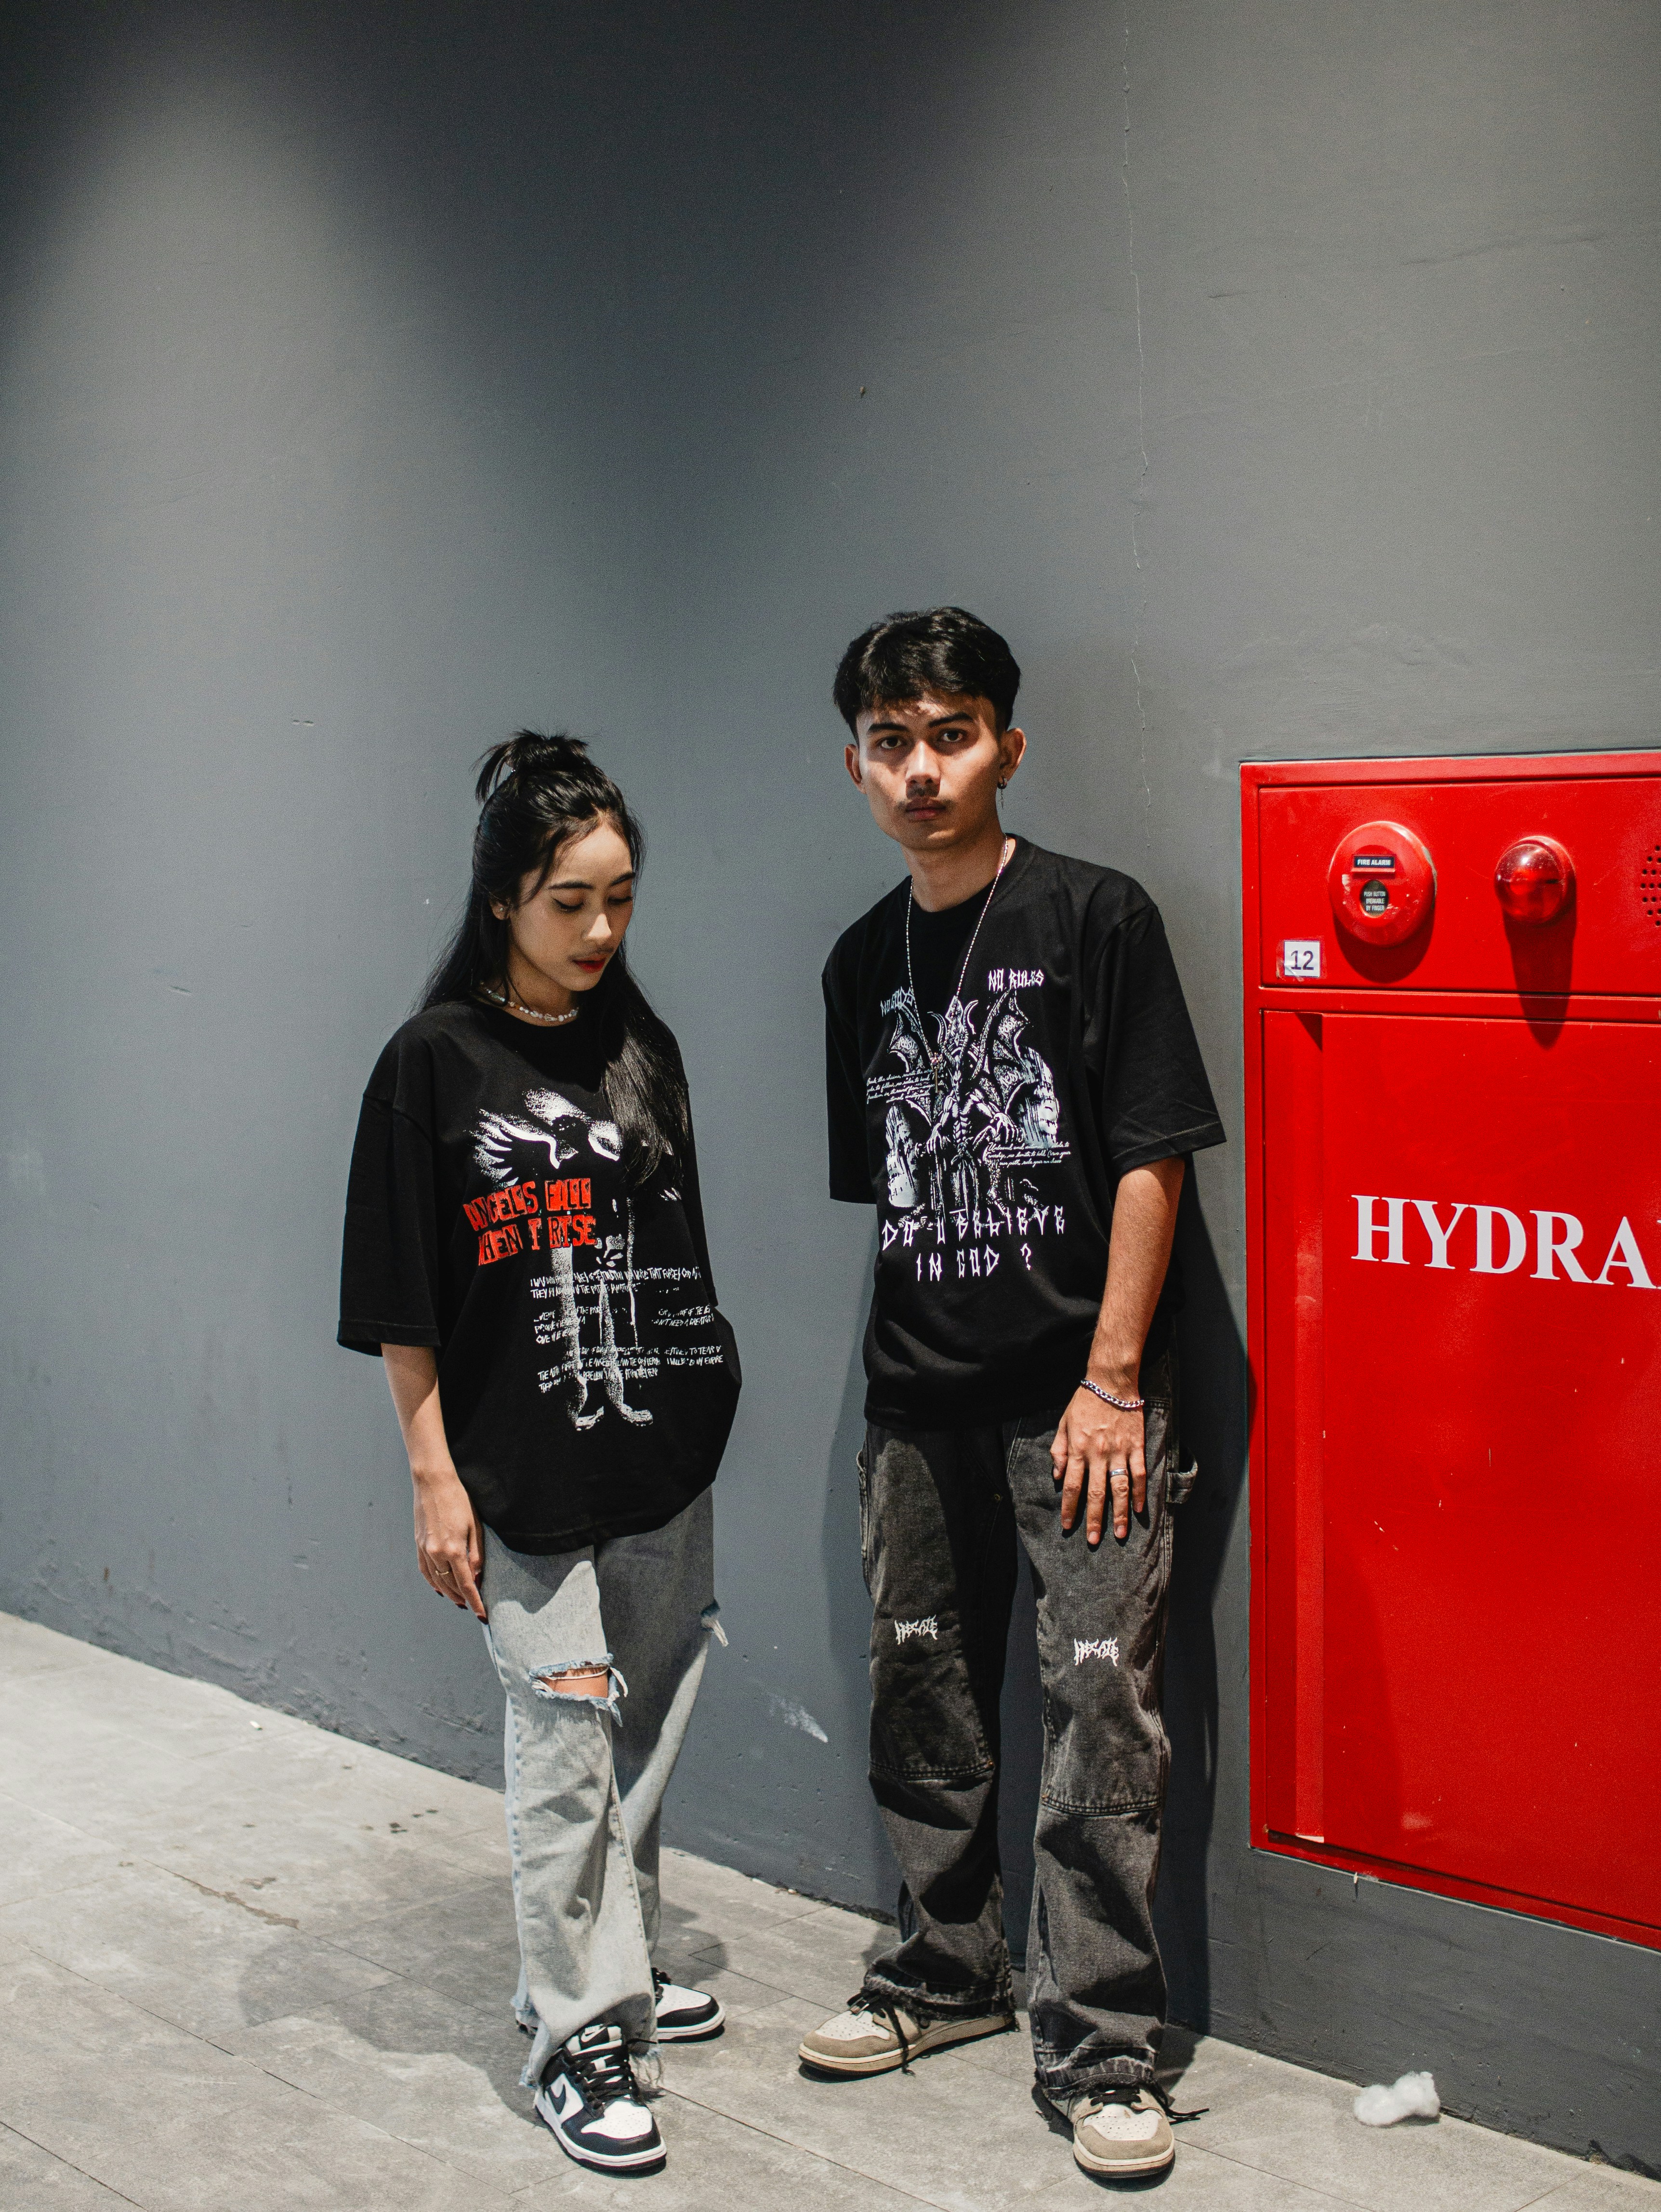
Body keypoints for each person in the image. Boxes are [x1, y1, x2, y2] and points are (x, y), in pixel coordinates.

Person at [805, 610, 1225, 2181]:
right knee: (924, 1692)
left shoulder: (1097, 917)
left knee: (1097, 1705)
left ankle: (1106, 2048)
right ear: (856, 763)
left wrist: (1113, 1382)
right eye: (892, 743)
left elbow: (1149, 1156)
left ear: (1008, 746)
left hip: (1082, 1407)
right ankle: (945, 1969)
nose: (923, 770)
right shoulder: (860, 961)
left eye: (953, 735)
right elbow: (906, 1196)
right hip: (917, 1401)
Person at [338, 733, 740, 2176]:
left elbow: (674, 1245)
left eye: (621, 898)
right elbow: (402, 1299)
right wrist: (434, 1477)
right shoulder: (432, 1065)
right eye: (570, 902)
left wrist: (707, 1407)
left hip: (658, 1451)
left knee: (640, 1734)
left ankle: (604, 1952)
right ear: (505, 897)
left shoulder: (644, 1048)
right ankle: (581, 2034)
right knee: (563, 1741)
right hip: (515, 1473)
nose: (601, 932)